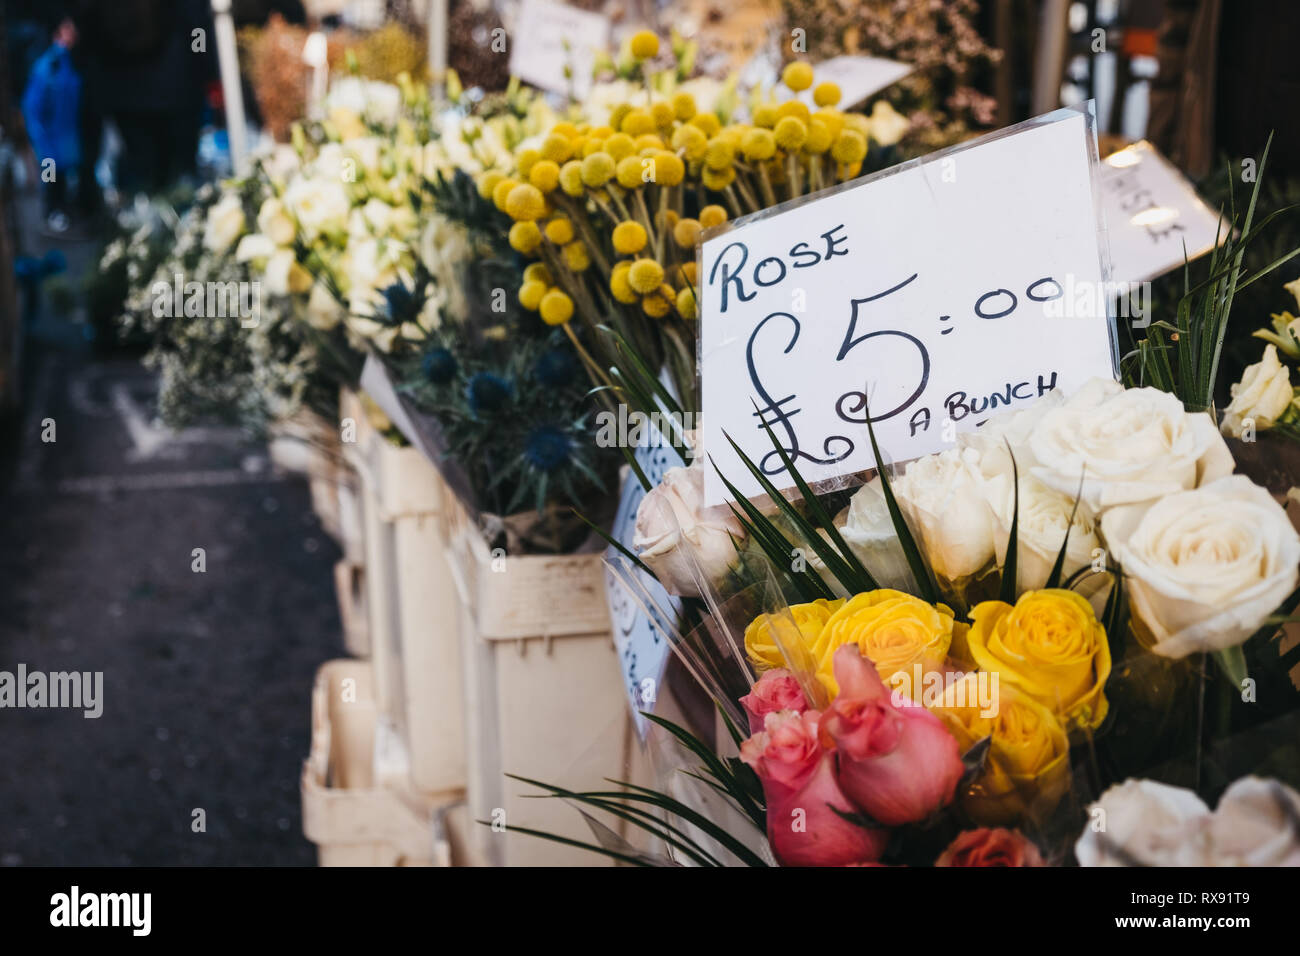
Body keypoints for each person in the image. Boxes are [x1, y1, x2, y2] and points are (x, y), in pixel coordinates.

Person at [20, 17, 82, 235]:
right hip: (49, 140)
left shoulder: (70, 62)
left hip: (65, 137)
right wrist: (40, 138)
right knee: (50, 180)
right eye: (67, 30)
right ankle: (50, 215)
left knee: (63, 180)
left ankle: (62, 212)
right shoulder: (47, 66)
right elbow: (33, 107)